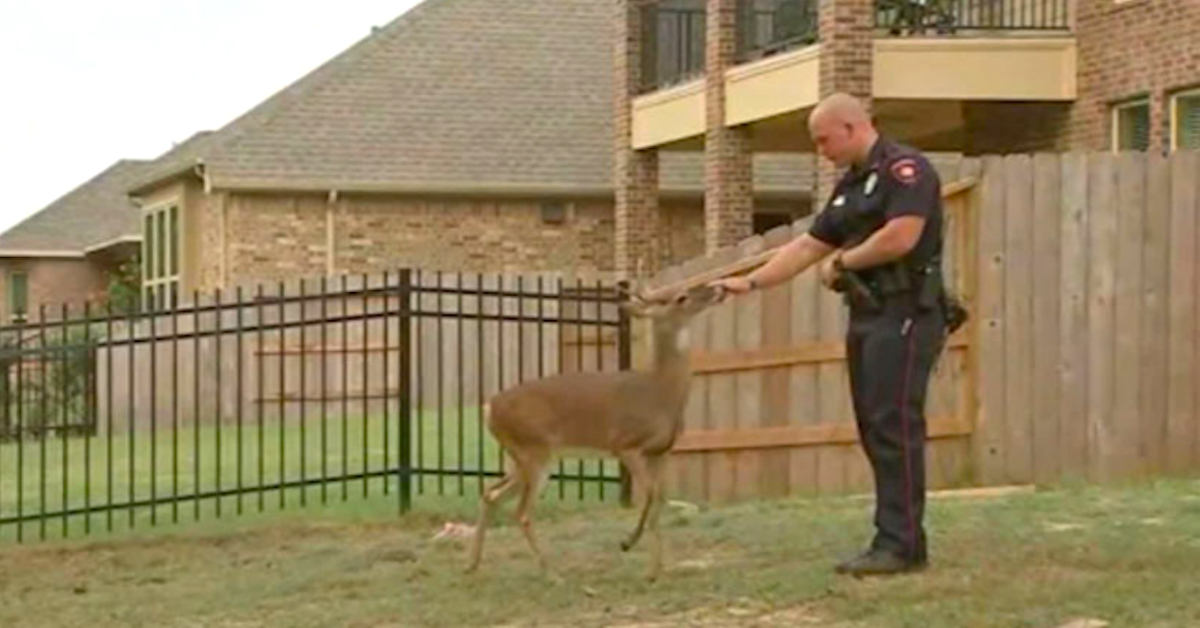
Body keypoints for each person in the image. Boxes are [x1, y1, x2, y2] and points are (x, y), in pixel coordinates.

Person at [710, 92, 950, 577]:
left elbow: (901, 236)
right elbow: (807, 245)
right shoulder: (851, 186)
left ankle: (900, 546)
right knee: (873, 425)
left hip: (906, 312)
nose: (821, 150)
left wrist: (844, 262)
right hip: (867, 312)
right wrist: (753, 281)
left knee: (894, 425)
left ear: (851, 127)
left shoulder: (907, 170)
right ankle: (899, 540)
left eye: (824, 140)